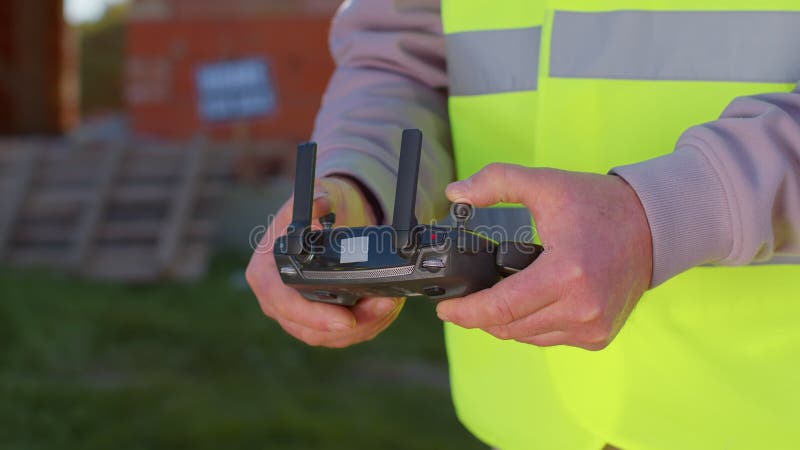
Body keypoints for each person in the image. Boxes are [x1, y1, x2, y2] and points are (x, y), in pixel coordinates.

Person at [246, 1, 800, 448]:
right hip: (529, 416)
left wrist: (670, 212)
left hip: (766, 412)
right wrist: (357, 186)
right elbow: (399, 59)